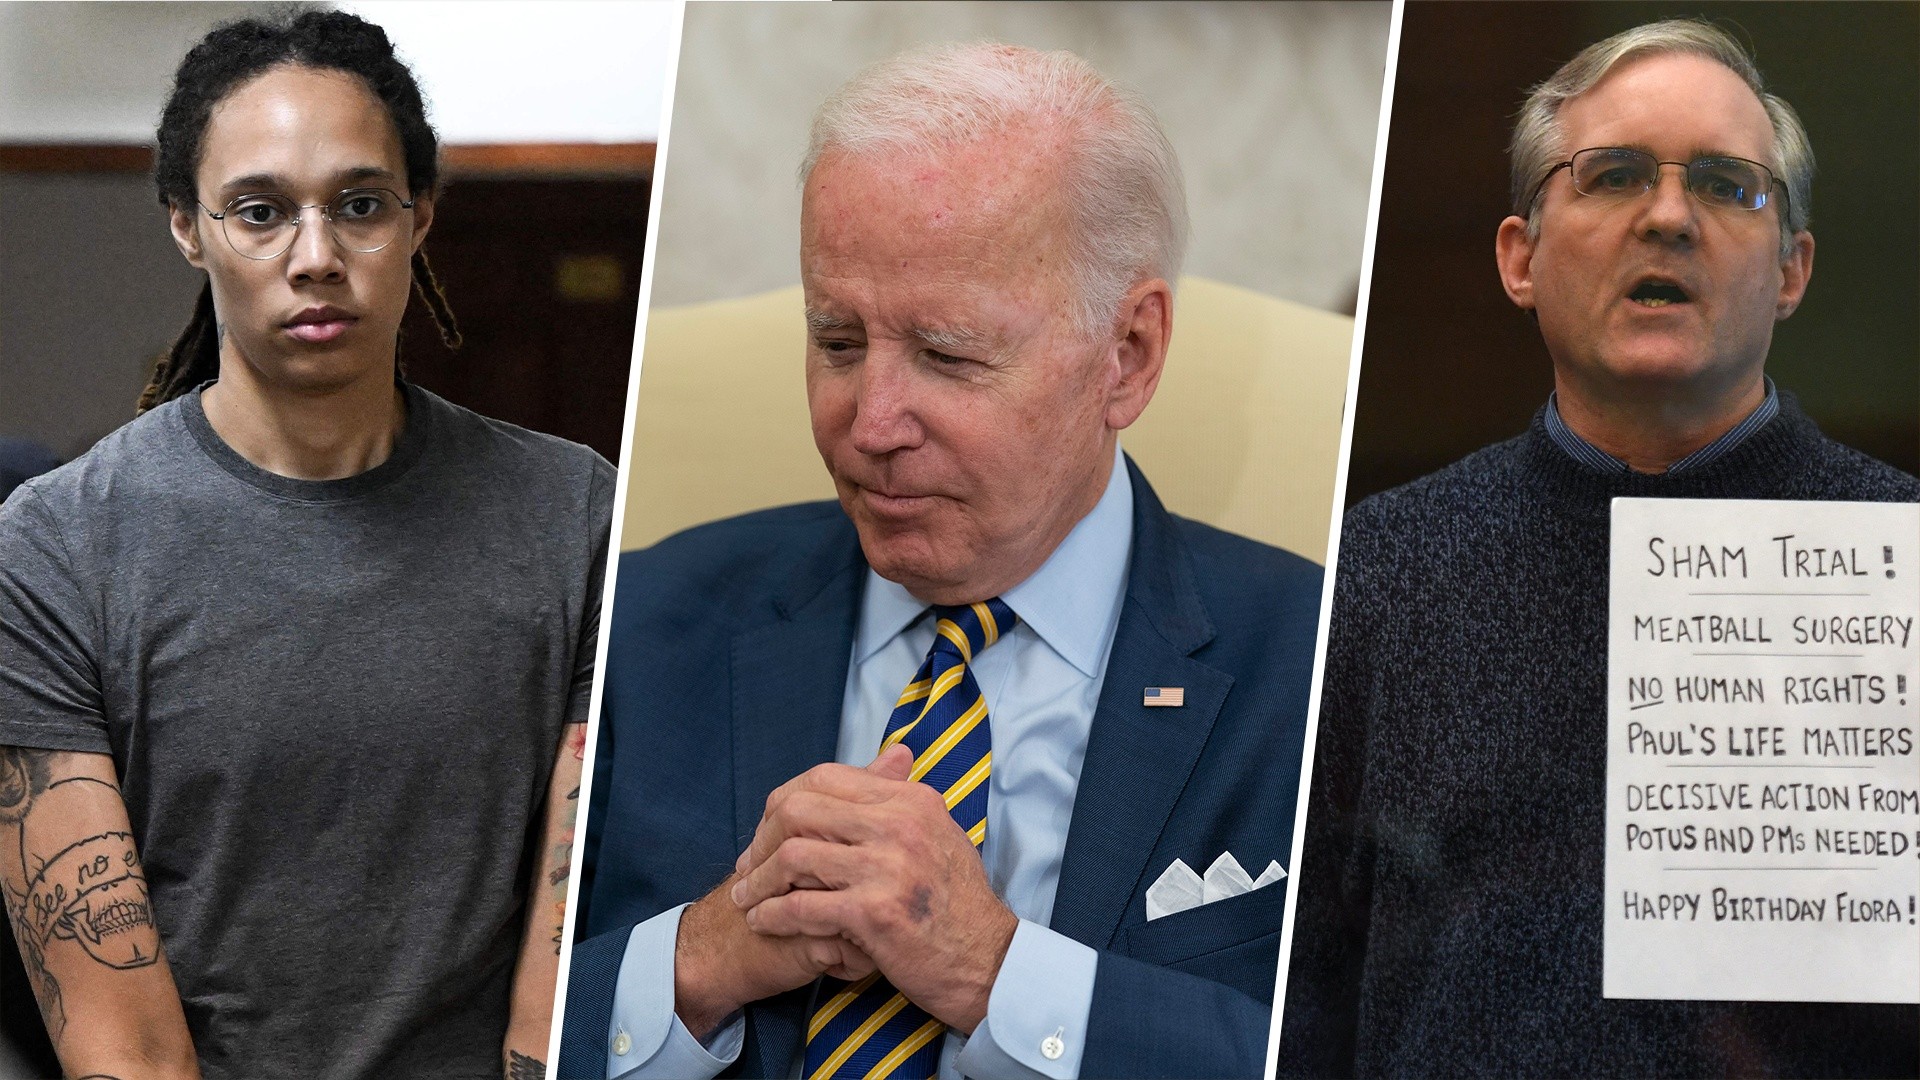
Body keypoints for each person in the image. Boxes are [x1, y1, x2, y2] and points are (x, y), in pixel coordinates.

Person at [561, 43, 1321, 1080]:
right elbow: (477, 1015)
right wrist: (698, 961)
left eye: (948, 356)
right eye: (836, 341)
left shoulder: (1323, 657)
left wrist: (1001, 975)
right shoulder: (635, 621)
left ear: (1129, 354)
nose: (869, 424)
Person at [1277, 19, 1919, 1077]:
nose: (1668, 216)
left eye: (1726, 185)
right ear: (1519, 259)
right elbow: (1301, 992)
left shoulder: (1903, 562)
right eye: (1614, 175)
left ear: (1794, 270)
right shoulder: (1373, 574)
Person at [0, 11, 611, 1078]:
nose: (316, 257)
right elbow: (123, 1044)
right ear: (188, 227)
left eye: (361, 206)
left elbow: (550, 991)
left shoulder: (574, 513)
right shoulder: (54, 550)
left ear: (420, 217)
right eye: (260, 211)